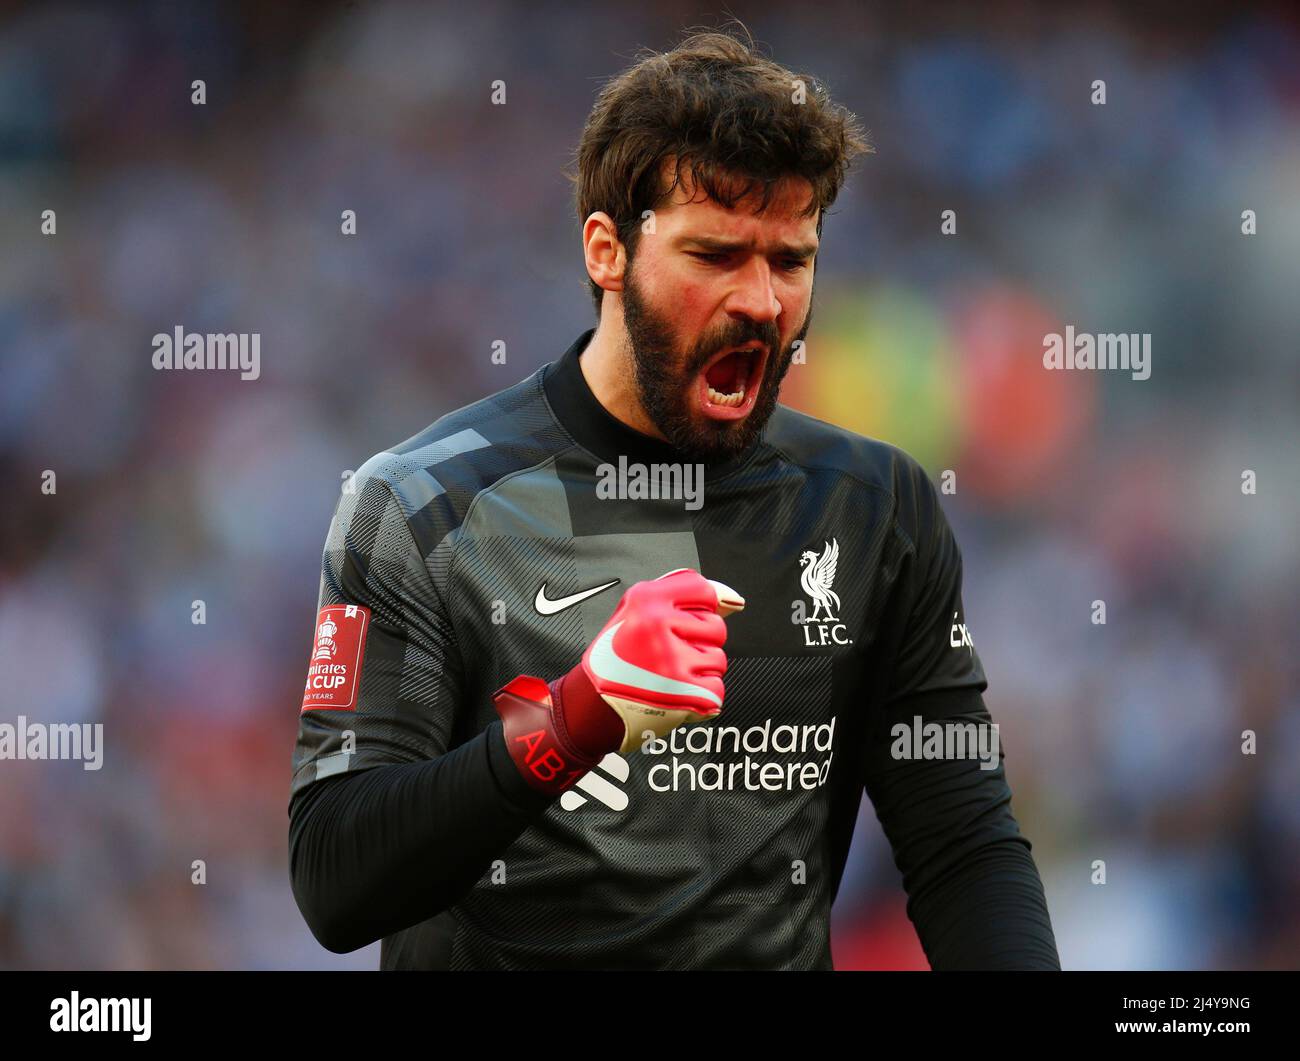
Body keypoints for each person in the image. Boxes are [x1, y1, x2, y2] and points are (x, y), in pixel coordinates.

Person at [288, 26, 1059, 970]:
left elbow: (964, 849)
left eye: (790, 260)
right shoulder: (426, 504)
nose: (763, 303)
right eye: (716, 254)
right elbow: (334, 878)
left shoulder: (871, 507)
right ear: (608, 252)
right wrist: (574, 721)